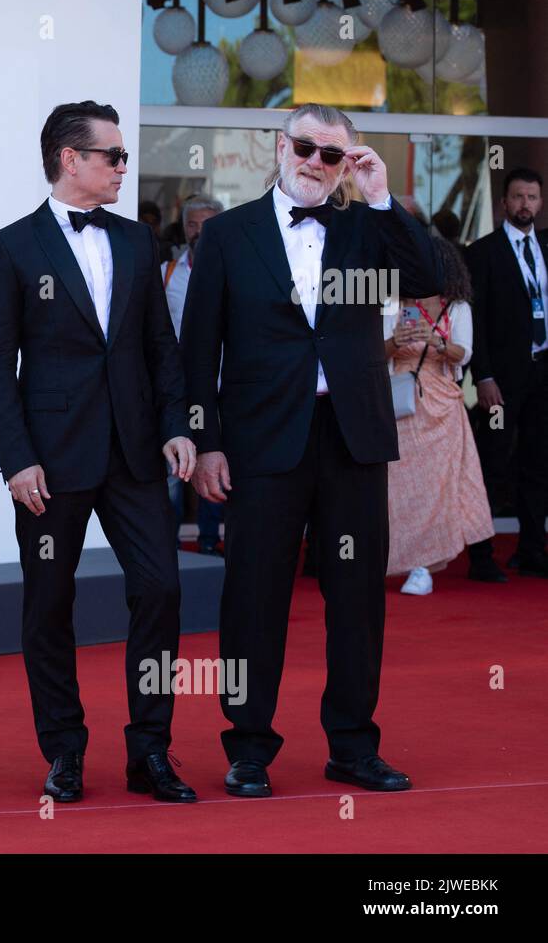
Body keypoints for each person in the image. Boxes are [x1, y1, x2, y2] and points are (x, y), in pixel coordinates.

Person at [181, 102, 442, 798]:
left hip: (351, 438)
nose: (316, 164)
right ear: (279, 146)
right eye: (306, 148)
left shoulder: (368, 227)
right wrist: (206, 442)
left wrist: (383, 197)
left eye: (333, 156)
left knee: (357, 598)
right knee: (253, 597)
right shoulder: (228, 236)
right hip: (263, 442)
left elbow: (427, 276)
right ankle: (249, 749)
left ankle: (354, 746)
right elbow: (199, 346)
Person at [0, 101, 198, 805]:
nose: (122, 168)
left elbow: (160, 348)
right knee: (50, 604)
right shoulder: (9, 246)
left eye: (122, 156)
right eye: (112, 156)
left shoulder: (138, 242)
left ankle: (150, 751)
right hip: (51, 460)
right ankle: (65, 751)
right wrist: (15, 460)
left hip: (135, 454)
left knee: (161, 589)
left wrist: (177, 425)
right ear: (70, 159)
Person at [385, 237, 494, 594]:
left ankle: (423, 566)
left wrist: (436, 342)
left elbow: (465, 353)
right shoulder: (392, 301)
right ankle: (392, 559)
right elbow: (371, 352)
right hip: (400, 402)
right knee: (398, 487)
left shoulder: (457, 307)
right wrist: (395, 341)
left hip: (443, 407)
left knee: (438, 488)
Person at [466, 167, 548, 580]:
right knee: (492, 462)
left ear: (540, 202)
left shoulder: (547, 246)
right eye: (518, 197)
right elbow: (474, 320)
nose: (525, 205)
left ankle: (532, 550)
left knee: (538, 463)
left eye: (532, 198)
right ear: (504, 202)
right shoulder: (482, 252)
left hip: (543, 376)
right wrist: (482, 376)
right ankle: (481, 555)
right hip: (500, 380)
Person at [162, 194, 224, 554]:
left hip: (221, 387)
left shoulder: (234, 270)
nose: (199, 231)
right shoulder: (166, 273)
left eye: (207, 224)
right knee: (173, 471)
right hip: (177, 390)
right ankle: (166, 545)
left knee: (215, 460)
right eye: (192, 224)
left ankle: (209, 541)